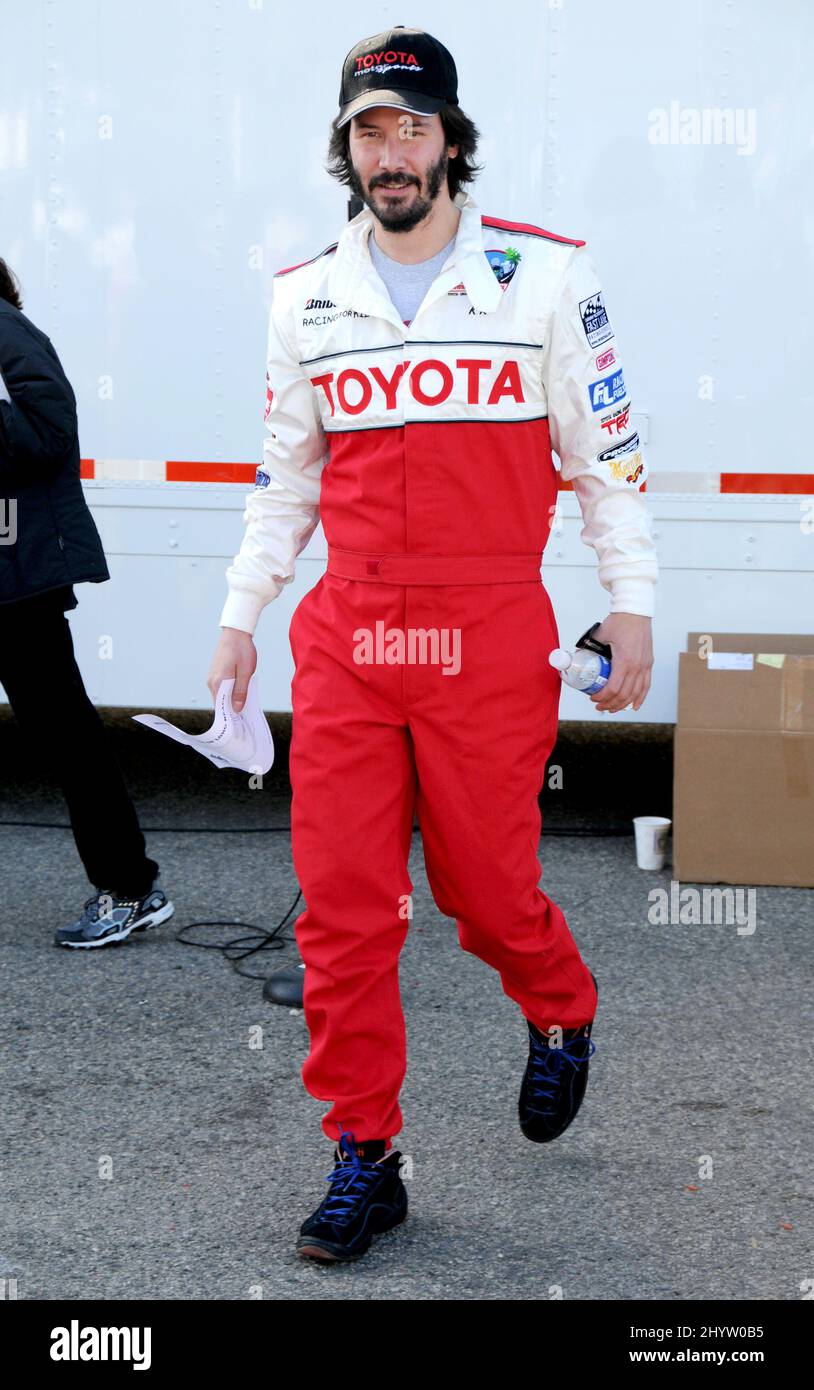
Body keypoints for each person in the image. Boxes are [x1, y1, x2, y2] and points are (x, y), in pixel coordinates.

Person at [207, 25, 657, 1262]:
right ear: (345, 152)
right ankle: (365, 1151)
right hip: (348, 633)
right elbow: (281, 481)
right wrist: (241, 622)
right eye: (367, 130)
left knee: (482, 890)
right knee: (343, 913)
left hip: (486, 631)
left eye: (411, 125)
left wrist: (630, 602)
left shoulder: (548, 278)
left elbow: (607, 461)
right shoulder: (305, 295)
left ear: (452, 139)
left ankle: (559, 1010)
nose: (390, 150)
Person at [0, 258, 173, 948]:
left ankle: (130, 890)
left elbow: (50, 433)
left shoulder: (11, 333)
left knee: (69, 740)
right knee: (67, 737)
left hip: (22, 579)